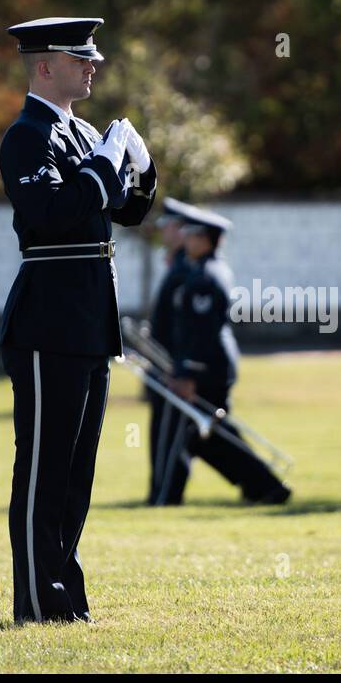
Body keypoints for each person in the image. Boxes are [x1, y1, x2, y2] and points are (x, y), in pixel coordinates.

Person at [0, 16, 158, 623]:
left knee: (76, 472)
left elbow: (127, 213)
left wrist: (140, 168)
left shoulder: (83, 132)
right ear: (44, 66)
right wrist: (103, 162)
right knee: (43, 469)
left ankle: (64, 598)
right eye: (78, 57)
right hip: (46, 324)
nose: (92, 65)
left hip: (89, 321)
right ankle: (37, 601)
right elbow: (55, 212)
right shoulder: (26, 137)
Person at [158, 205, 291, 505]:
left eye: (191, 235)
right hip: (211, 366)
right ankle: (263, 486)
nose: (185, 240)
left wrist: (188, 373)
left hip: (207, 369)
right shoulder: (203, 270)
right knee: (209, 435)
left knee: (206, 433)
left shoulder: (205, 277)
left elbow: (202, 332)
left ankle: (264, 485)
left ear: (205, 239)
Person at [145, 200, 194, 503]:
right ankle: (265, 486)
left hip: (177, 367)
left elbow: (189, 325)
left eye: (170, 227)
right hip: (168, 364)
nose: (164, 232)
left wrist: (184, 368)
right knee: (210, 438)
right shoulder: (177, 264)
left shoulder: (187, 269)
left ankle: (163, 495)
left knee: (174, 434)